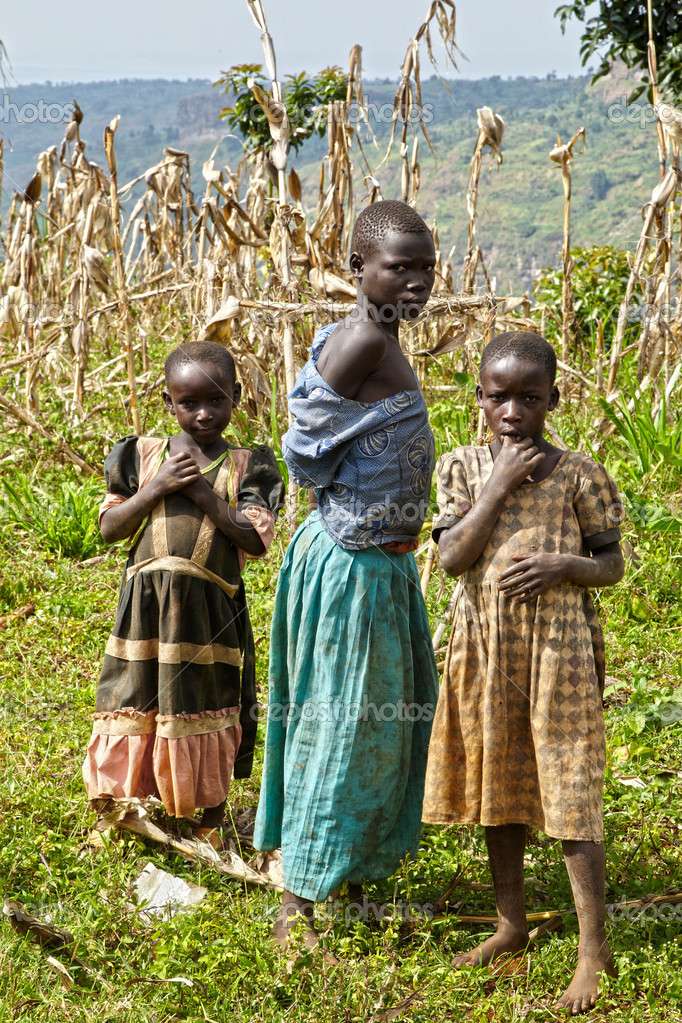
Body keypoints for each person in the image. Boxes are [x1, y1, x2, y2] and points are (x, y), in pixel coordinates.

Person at [253, 200, 440, 944]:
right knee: (339, 724)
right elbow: (303, 449)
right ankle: (300, 900)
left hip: (377, 566)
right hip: (351, 568)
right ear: (357, 268)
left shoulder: (376, 335)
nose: (419, 281)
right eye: (401, 266)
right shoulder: (362, 337)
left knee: (372, 728)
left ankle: (351, 874)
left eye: (427, 266)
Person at [423, 330, 624, 1014]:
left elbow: (612, 563)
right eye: (498, 396)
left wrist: (567, 566)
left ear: (552, 400)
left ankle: (593, 948)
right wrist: (499, 483)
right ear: (479, 398)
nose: (512, 410)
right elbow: (452, 558)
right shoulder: (459, 467)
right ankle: (511, 922)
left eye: (529, 397)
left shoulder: (580, 474)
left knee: (570, 789)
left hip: (558, 656)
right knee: (498, 781)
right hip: (484, 648)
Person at [82, 340, 284, 846]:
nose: (202, 414)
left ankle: (208, 818)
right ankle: (121, 810)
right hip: (144, 612)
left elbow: (252, 538)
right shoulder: (143, 456)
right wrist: (157, 487)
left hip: (209, 612)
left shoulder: (250, 465)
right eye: (187, 403)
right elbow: (110, 527)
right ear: (167, 403)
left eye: (215, 401)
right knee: (131, 698)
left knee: (206, 704)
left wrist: (199, 492)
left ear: (236, 396)